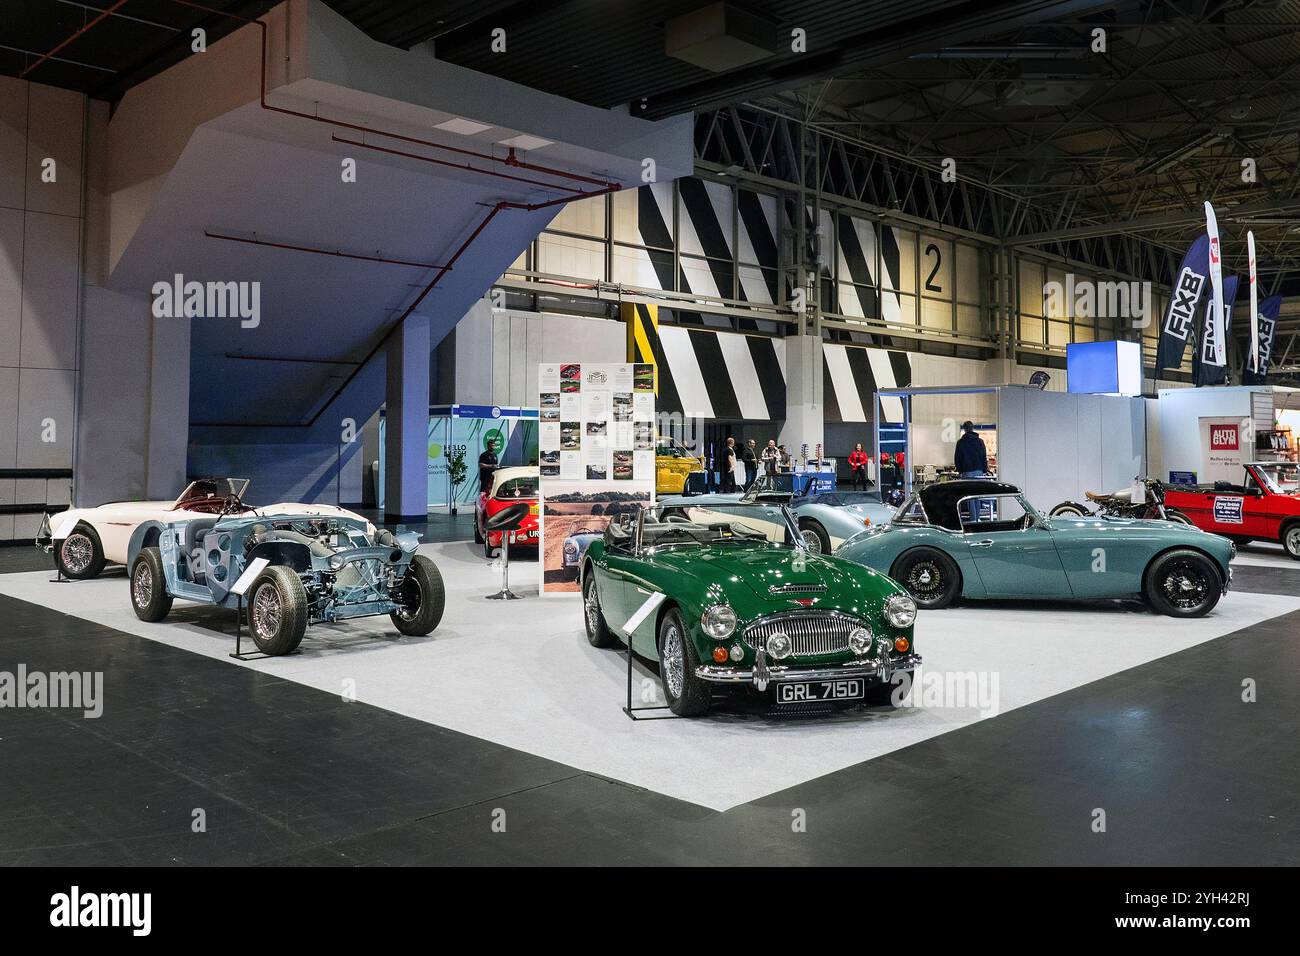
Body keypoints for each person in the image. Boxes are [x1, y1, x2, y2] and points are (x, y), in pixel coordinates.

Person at [954, 421, 989, 524]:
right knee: (977, 495)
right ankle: (977, 517)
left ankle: (973, 519)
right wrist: (984, 470)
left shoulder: (961, 442)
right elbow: (984, 457)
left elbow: (957, 458)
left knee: (969, 496)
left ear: (964, 429)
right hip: (979, 471)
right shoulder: (980, 442)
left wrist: (960, 471)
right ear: (973, 428)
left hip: (967, 472)